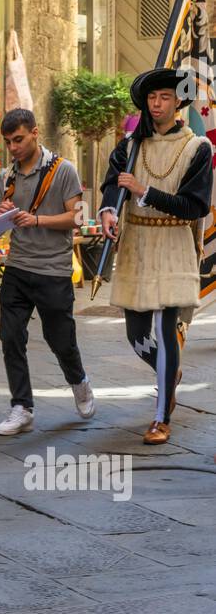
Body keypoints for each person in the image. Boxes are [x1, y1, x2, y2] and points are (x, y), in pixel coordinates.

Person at [99, 67, 213, 443]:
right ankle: (170, 372)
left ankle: (161, 416)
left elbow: (194, 206)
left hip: (174, 246)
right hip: (136, 247)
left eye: (165, 97)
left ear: (178, 102)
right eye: (152, 98)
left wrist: (145, 192)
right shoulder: (130, 147)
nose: (157, 104)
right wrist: (109, 211)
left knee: (165, 334)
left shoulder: (198, 148)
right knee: (136, 335)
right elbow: (111, 186)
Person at [0, 107, 95, 435]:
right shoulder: (4, 177)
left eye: (19, 139)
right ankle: (21, 407)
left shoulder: (64, 171)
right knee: (10, 336)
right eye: (8, 142)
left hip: (53, 269)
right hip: (18, 267)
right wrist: (4, 213)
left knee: (59, 338)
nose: (13, 147)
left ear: (35, 133)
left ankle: (78, 380)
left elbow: (78, 218)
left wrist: (37, 220)